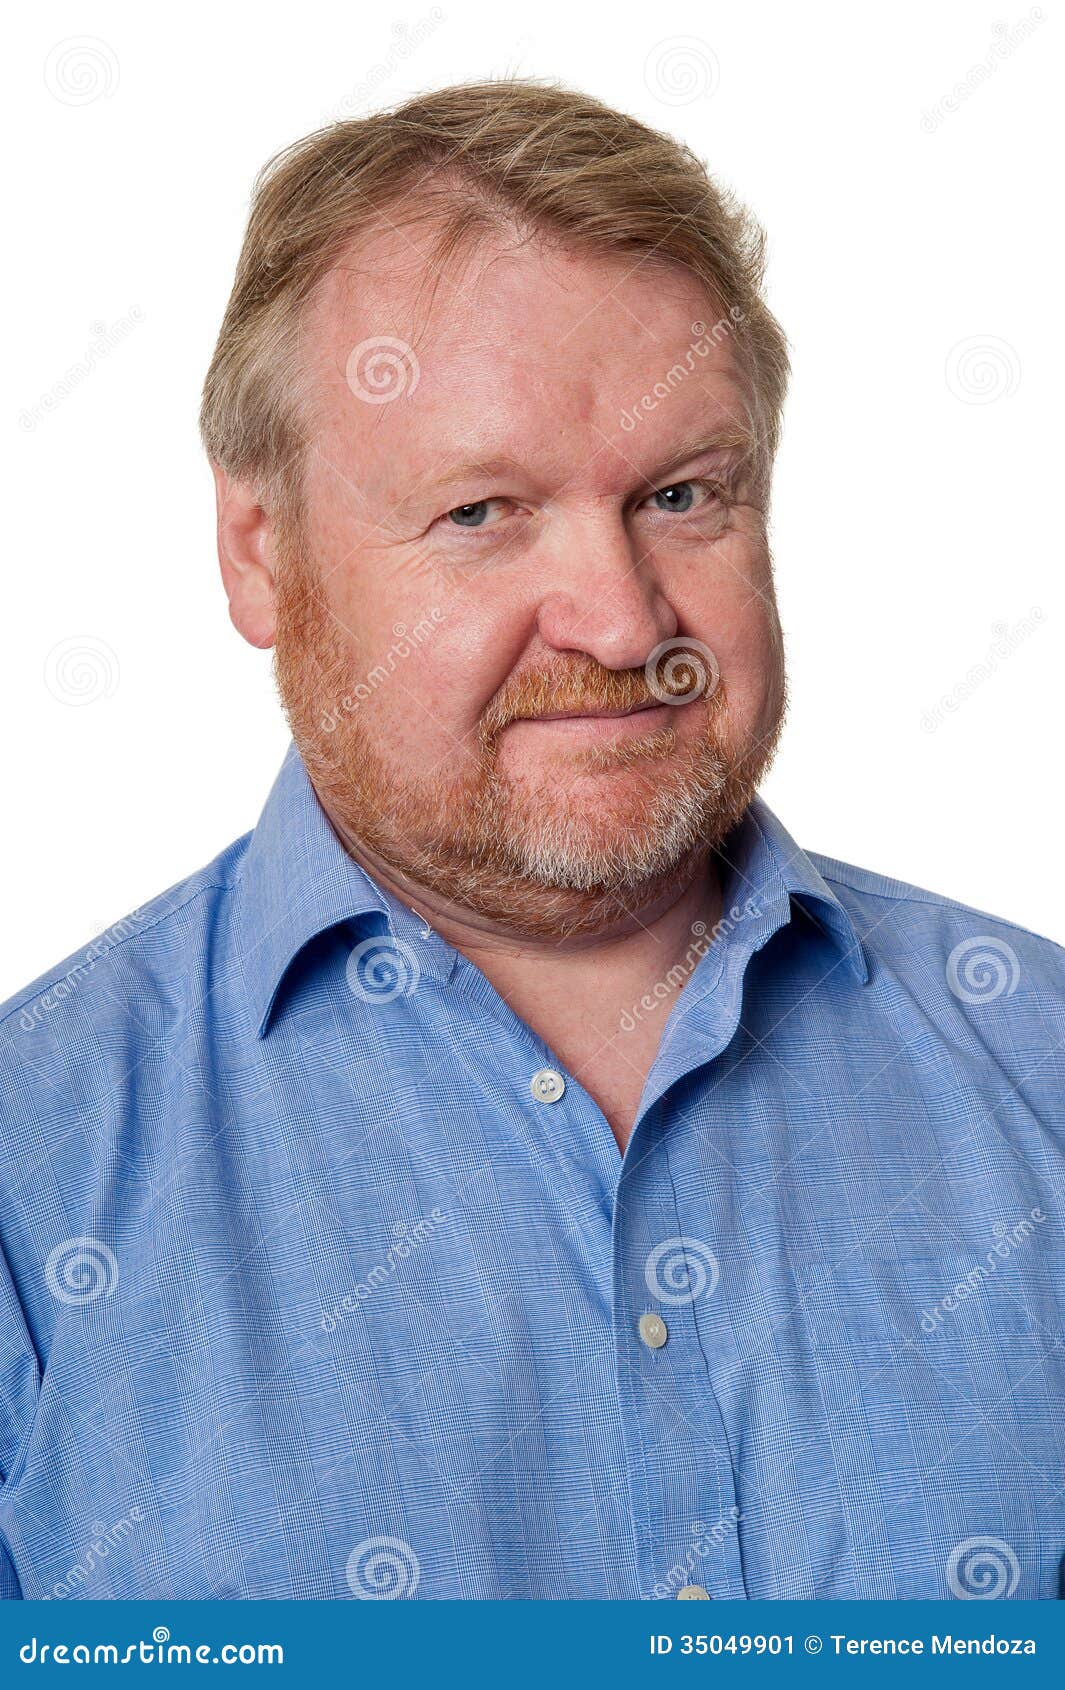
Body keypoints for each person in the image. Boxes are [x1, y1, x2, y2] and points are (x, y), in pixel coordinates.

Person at [1, 80, 1062, 1602]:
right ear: (261, 554)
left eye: (682, 495)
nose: (624, 620)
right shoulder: (34, 1187)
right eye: (483, 512)